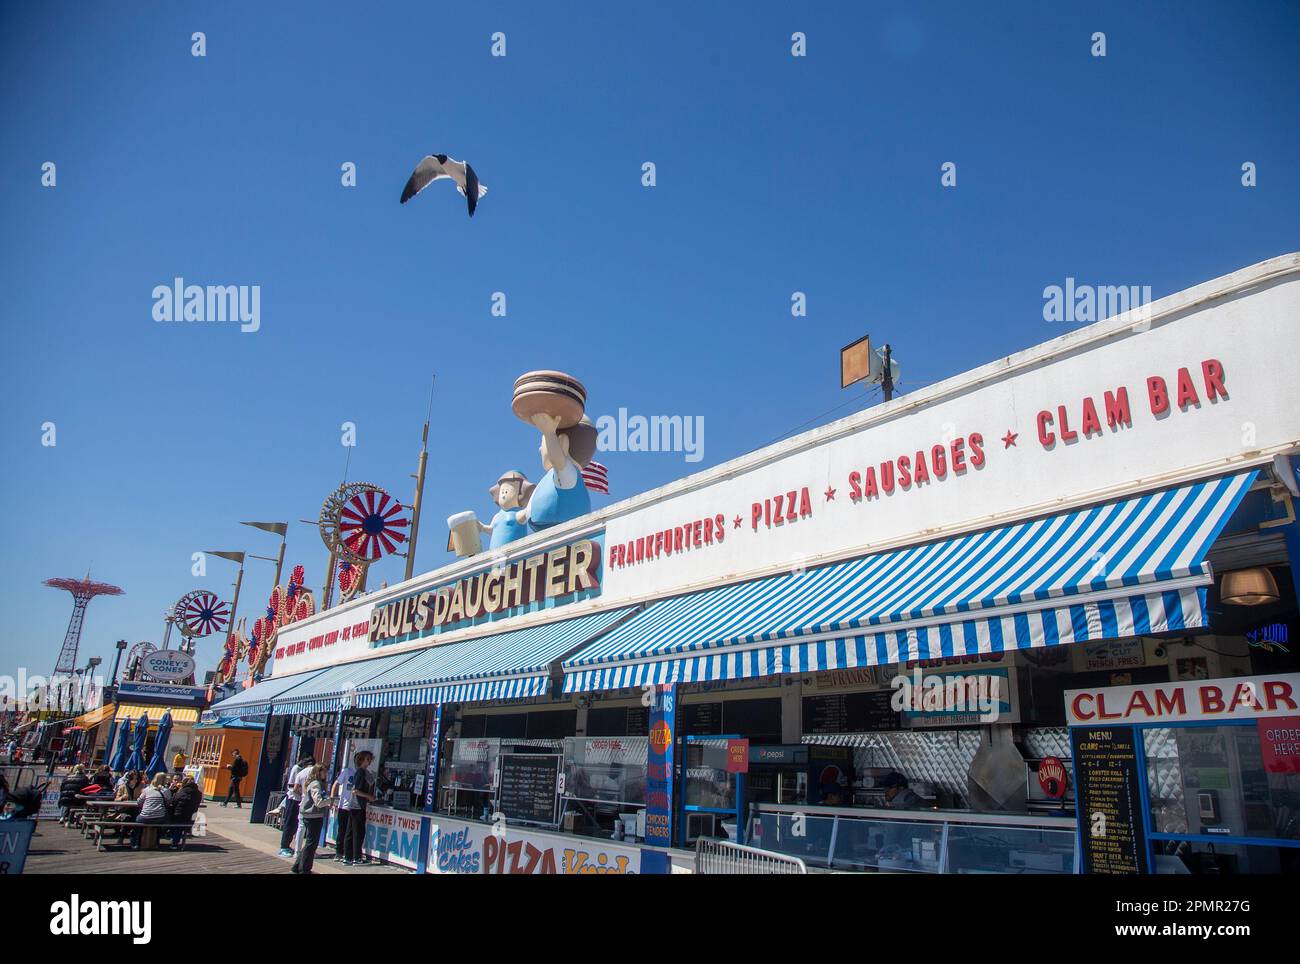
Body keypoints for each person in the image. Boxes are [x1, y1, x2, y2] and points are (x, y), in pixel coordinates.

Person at [291, 764, 329, 875]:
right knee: (312, 843)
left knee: (309, 843)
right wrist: (329, 801)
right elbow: (318, 802)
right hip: (313, 815)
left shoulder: (315, 783)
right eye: (324, 772)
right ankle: (305, 869)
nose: (326, 774)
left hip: (311, 815)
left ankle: (297, 866)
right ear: (319, 772)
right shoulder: (316, 784)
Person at [279, 749, 316, 857]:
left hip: (301, 800)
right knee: (289, 823)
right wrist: (303, 792)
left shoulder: (305, 770)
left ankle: (292, 845)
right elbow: (291, 785)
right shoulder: (297, 768)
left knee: (297, 824)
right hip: (293, 799)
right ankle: (284, 846)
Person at [343, 750, 376, 865]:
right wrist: (369, 796)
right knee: (358, 832)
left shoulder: (363, 772)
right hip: (357, 806)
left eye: (370, 759)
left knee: (351, 831)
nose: (369, 761)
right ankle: (356, 857)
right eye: (368, 759)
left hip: (355, 806)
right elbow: (355, 790)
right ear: (362, 760)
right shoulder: (361, 772)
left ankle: (348, 857)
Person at [131, 773, 173, 849]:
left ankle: (136, 843)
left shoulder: (147, 789)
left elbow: (139, 802)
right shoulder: (166, 790)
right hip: (159, 817)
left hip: (145, 816)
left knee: (137, 822)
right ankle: (156, 842)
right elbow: (169, 802)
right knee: (160, 822)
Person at [168, 775, 203, 848]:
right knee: (180, 822)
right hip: (191, 817)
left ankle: (174, 842)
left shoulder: (181, 791)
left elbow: (173, 802)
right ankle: (175, 840)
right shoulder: (198, 793)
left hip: (179, 815)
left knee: (173, 820)